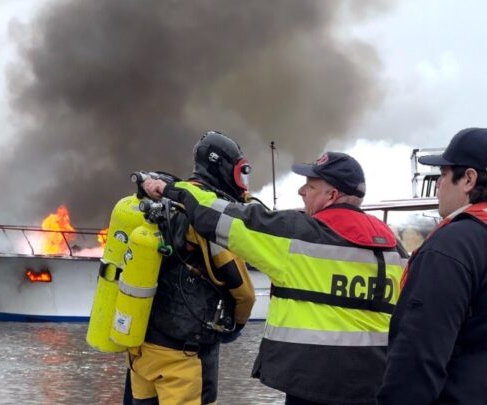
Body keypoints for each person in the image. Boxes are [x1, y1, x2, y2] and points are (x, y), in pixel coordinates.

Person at [144, 151, 408, 405]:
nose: (301, 191)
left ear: (332, 195)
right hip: (375, 385)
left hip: (312, 384)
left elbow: (226, 217)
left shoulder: (299, 236)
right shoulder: (394, 248)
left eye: (310, 186)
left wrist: (171, 189)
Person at [126, 131, 256, 405]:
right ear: (222, 169)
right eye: (240, 174)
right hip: (183, 358)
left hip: (141, 349)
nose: (242, 185)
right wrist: (235, 327)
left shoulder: (162, 203)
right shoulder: (208, 217)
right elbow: (243, 292)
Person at [377, 128, 487, 404]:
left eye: (443, 174)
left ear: (468, 179)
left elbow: (417, 355)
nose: (438, 184)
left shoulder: (453, 245)